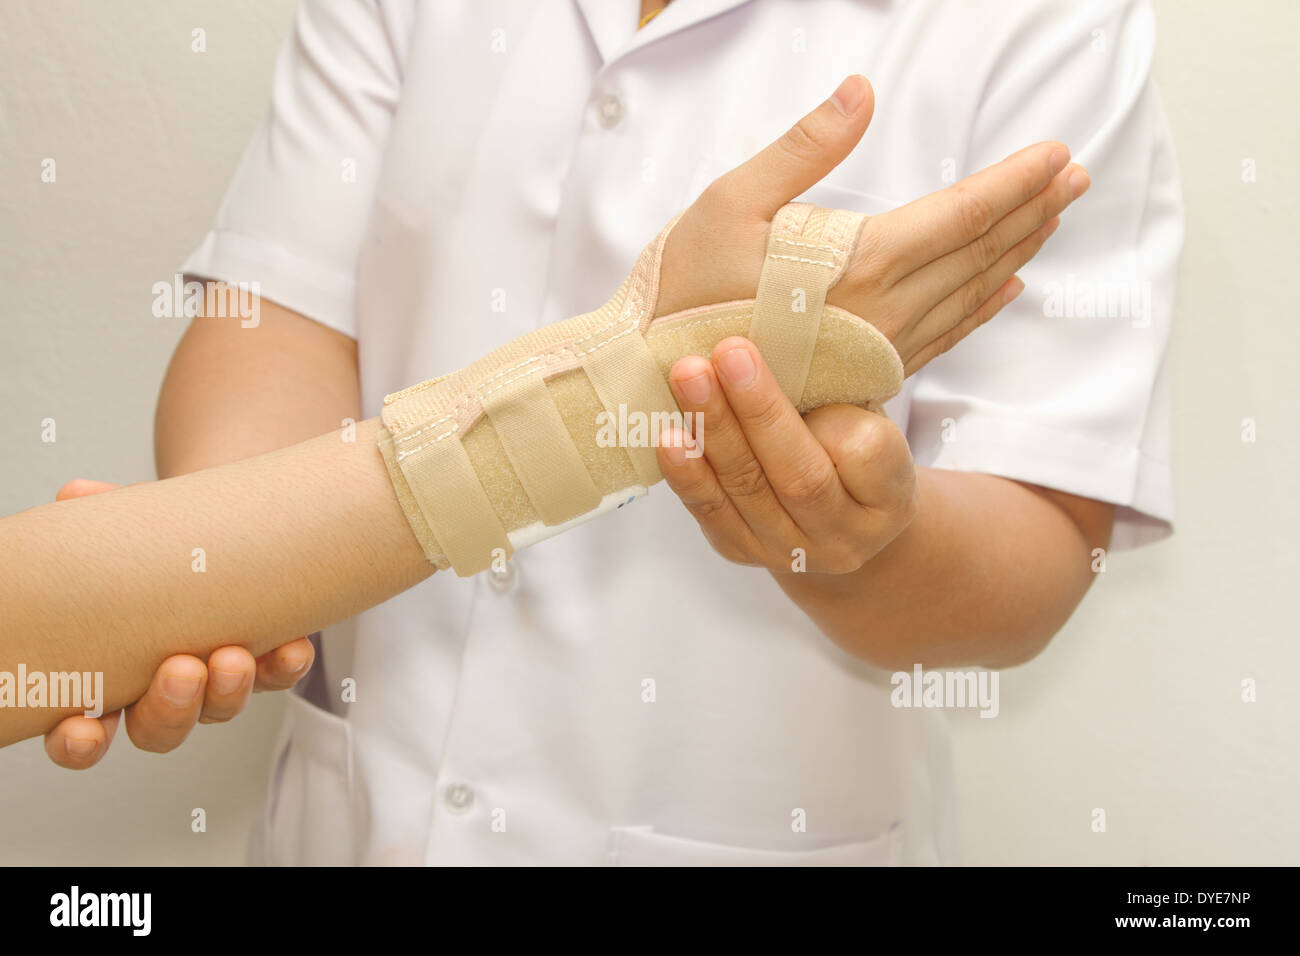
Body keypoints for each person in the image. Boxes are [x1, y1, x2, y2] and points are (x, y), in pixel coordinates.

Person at [36, 0, 1181, 866]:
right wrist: (222, 562)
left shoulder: (1046, 22)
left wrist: (866, 538)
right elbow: (276, 309)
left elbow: (1044, 531)